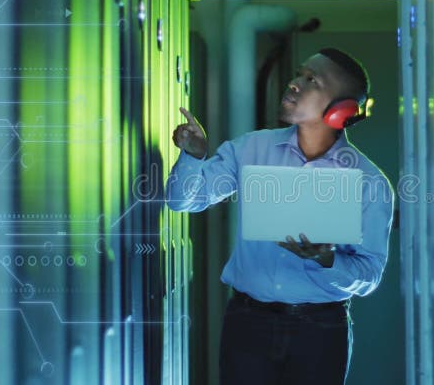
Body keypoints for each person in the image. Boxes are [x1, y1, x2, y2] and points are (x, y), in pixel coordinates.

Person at [165, 48, 394, 385]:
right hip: (247, 322)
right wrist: (193, 157)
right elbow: (183, 202)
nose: (294, 84)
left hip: (320, 332)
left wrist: (328, 259)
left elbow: (370, 274)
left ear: (341, 111)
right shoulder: (251, 149)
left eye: (311, 80)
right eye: (299, 74)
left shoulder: (369, 182)